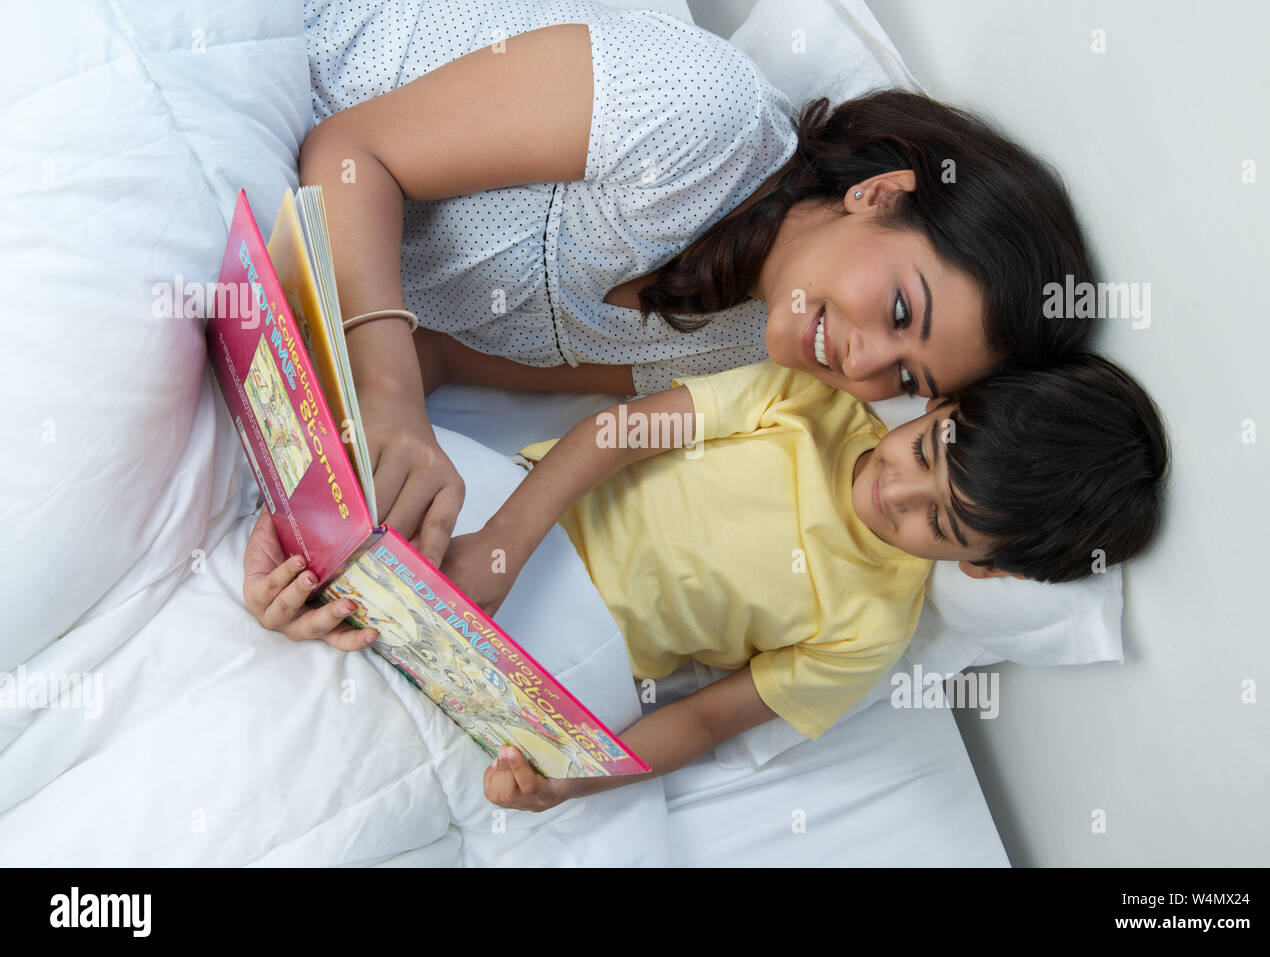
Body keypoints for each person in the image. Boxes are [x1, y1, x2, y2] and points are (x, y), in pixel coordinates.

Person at [282, 0, 1098, 570]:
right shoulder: (701, 115)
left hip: (298, 256)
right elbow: (352, 153)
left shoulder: (745, 344)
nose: (864, 362)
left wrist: (351, 492)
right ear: (881, 193)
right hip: (297, 81)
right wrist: (387, 400)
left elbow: (448, 360)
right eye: (898, 310)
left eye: (909, 378)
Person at [245, 352, 1169, 810]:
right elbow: (616, 432)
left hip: (586, 641)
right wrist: (506, 543)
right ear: (939, 405)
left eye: (942, 519)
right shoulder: (805, 403)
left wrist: (573, 781)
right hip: (522, 509)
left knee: (397, 751)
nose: (900, 488)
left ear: (983, 564)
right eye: (929, 450)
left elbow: (706, 718)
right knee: (370, 518)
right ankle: (283, 578)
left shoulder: (873, 629)